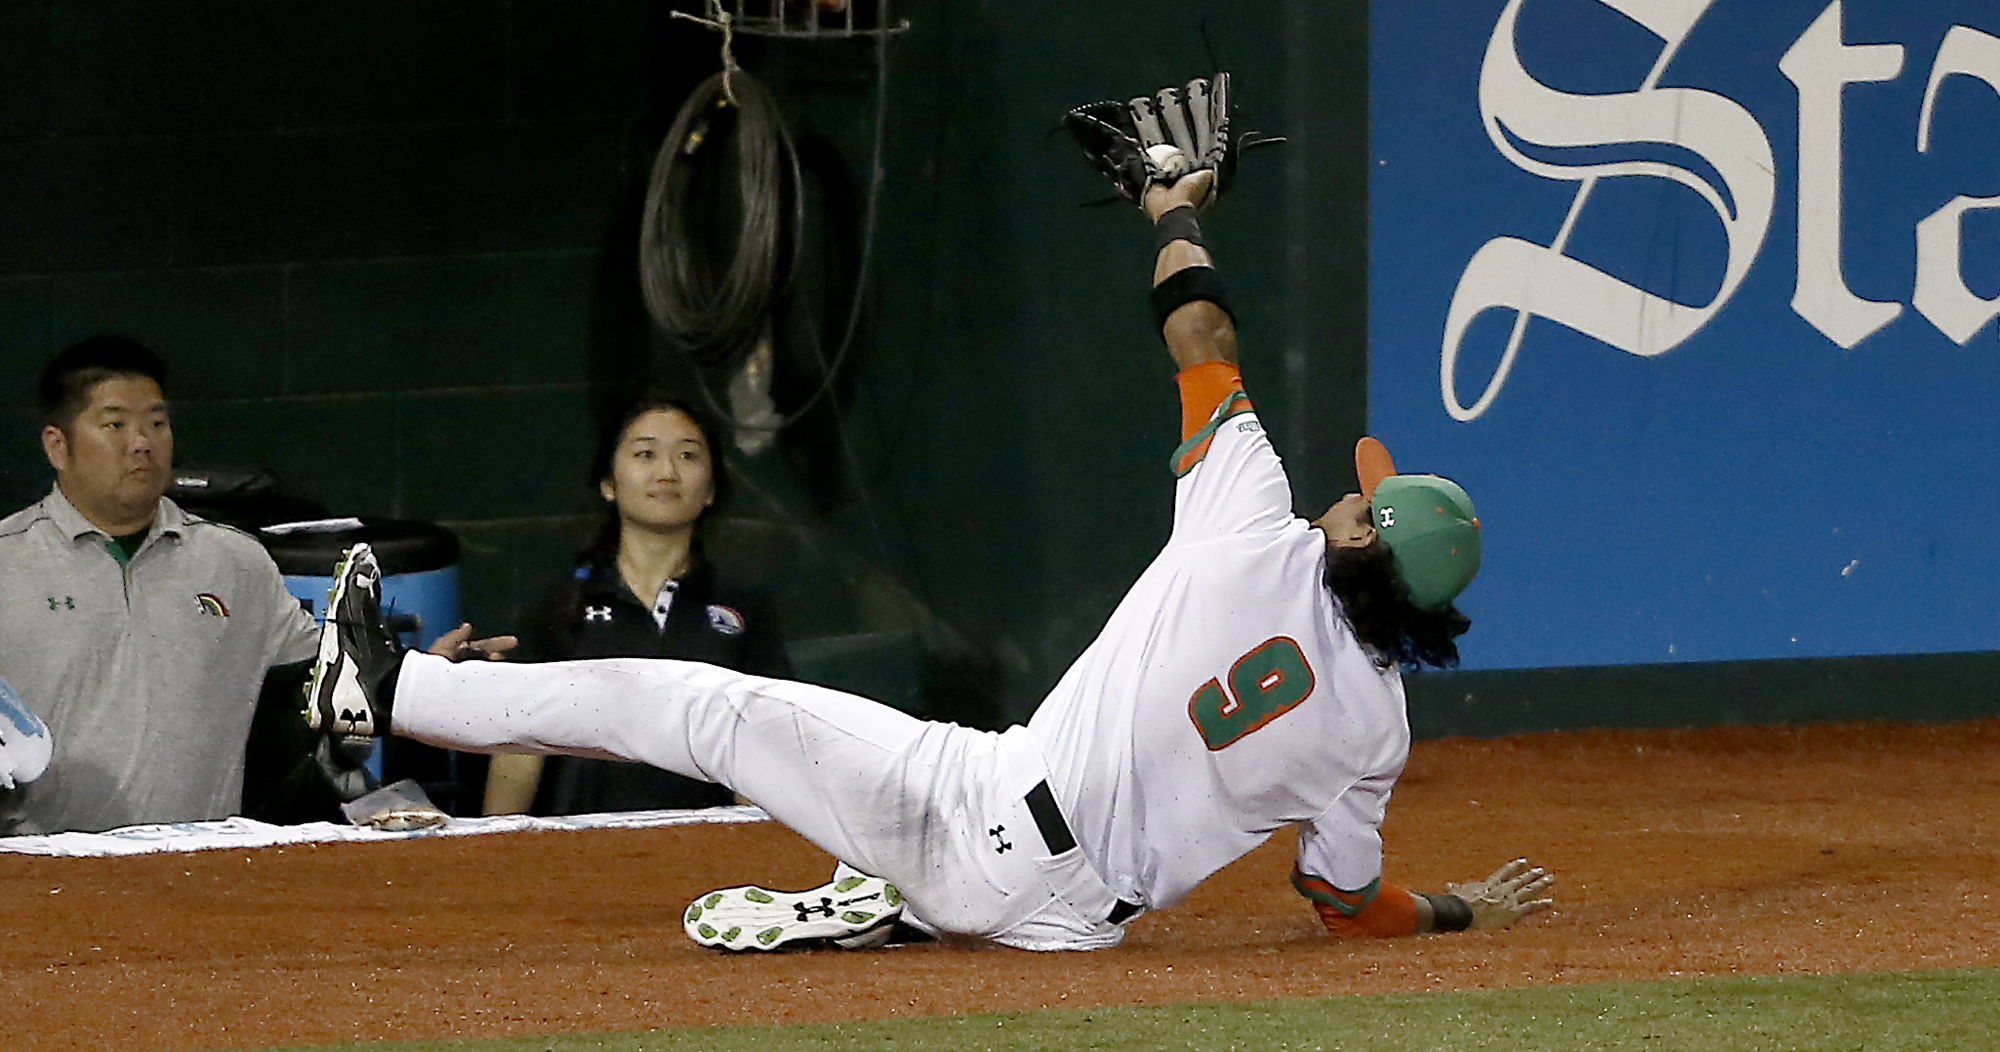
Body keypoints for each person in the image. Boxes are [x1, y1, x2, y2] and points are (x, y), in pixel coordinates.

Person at [303, 165, 1554, 952]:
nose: (1348, 491)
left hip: (984, 811)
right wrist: (1453, 910)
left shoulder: (1251, 521)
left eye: (1364, 501)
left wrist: (1172, 206)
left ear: (1357, 537)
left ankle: (391, 691)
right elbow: (1340, 901)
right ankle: (886, 901)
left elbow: (1201, 332)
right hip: (1068, 929)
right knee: (792, 760)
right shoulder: (1374, 729)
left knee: (682, 699)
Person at [0, 336, 322, 835]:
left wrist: (429, 679)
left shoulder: (236, 562)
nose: (142, 442)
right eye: (115, 424)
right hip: (41, 879)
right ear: (57, 446)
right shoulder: (7, 560)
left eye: (156, 422)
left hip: (202, 878)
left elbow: (334, 679)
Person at [480, 398, 791, 816]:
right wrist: (499, 856)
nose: (667, 472)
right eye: (646, 453)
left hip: (711, 858)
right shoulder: (557, 604)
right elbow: (517, 753)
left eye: (688, 455)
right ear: (608, 483)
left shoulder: (744, 609)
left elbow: (763, 753)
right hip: (580, 855)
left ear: (712, 489)